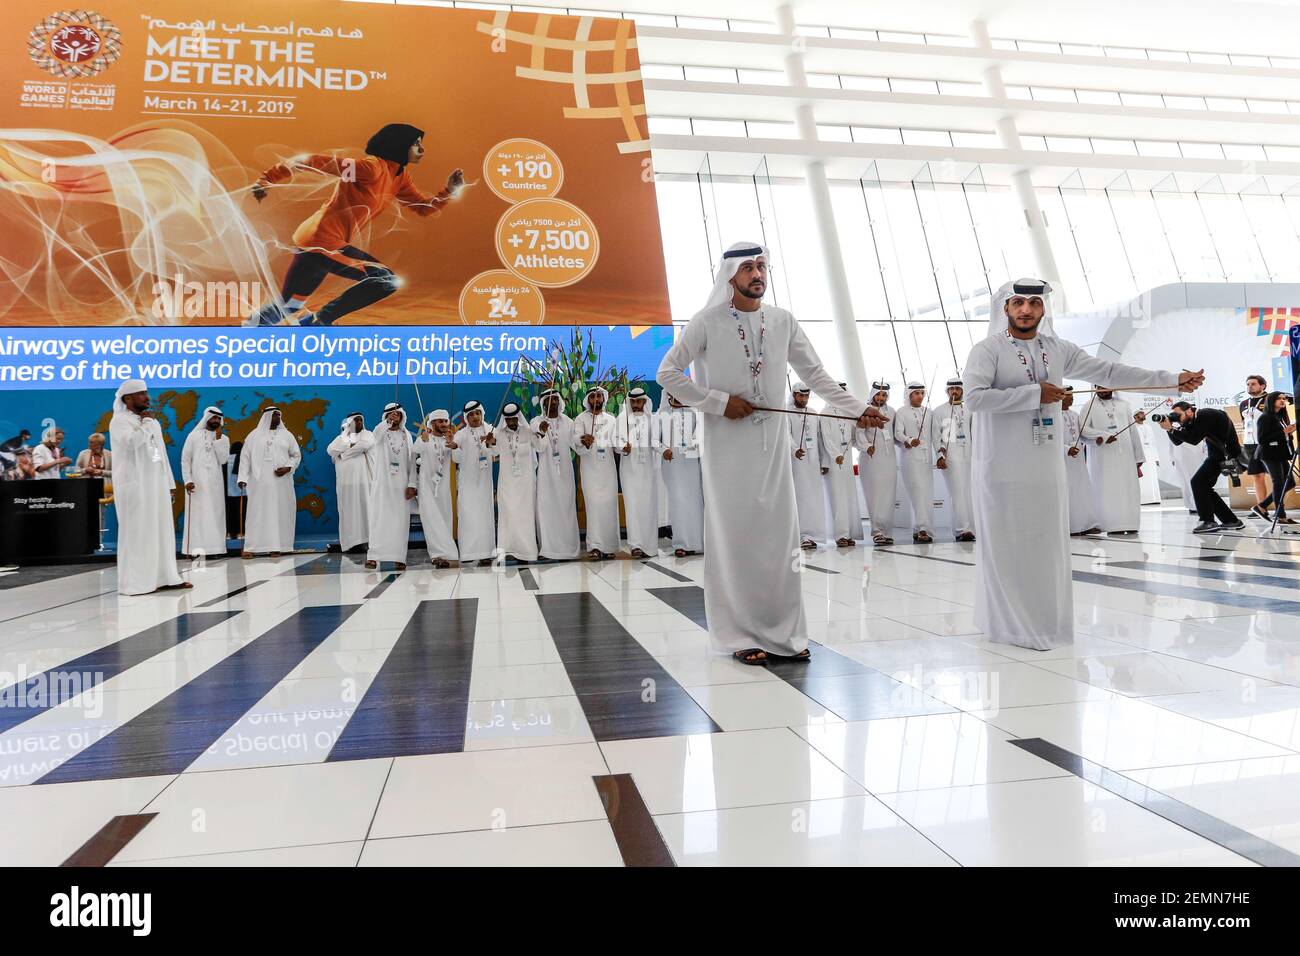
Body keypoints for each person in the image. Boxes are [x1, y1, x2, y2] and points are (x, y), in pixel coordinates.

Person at [656, 240, 884, 665]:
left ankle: (785, 633)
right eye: (749, 268)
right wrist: (720, 403)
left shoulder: (782, 321)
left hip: (772, 449)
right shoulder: (705, 322)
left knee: (779, 539)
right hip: (727, 450)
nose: (758, 275)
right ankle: (739, 633)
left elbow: (815, 375)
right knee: (735, 537)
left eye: (762, 267)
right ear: (730, 276)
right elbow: (667, 373)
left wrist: (859, 410)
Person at [963, 278, 1196, 651]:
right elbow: (974, 399)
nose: (1026, 310)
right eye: (1019, 303)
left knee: (1045, 543)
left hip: (1044, 465)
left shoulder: (1057, 349)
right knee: (1009, 542)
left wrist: (1171, 381)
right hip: (1001, 466)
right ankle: (1008, 624)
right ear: (1005, 308)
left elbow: (1110, 372)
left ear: (1044, 309)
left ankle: (1042, 621)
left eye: (1035, 304)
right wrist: (1033, 394)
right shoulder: (987, 350)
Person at [248, 124, 465, 327]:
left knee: (290, 305)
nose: (422, 148)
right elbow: (313, 162)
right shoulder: (370, 169)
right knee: (385, 281)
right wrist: (267, 179)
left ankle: (248, 329)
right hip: (322, 241)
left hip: (319, 241)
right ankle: (316, 322)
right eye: (416, 143)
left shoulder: (399, 175)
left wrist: (450, 191)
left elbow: (423, 207)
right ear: (399, 144)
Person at [109, 380, 191, 595]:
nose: (147, 397)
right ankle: (136, 583)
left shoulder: (151, 421)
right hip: (135, 486)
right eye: (141, 394)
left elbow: (159, 453)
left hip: (156, 483)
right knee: (139, 533)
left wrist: (169, 483)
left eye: (146, 393)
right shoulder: (119, 421)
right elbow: (130, 444)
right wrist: (145, 425)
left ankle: (166, 577)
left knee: (161, 531)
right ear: (127, 398)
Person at [1160, 402, 1247, 534]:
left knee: (1198, 482)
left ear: (1189, 411)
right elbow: (1177, 441)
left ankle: (1208, 521)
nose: (1176, 418)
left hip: (1222, 455)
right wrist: (1169, 428)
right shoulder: (1193, 419)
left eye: (1178, 415)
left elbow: (1194, 439)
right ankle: (1230, 520)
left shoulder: (1206, 414)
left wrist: (1171, 429)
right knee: (1203, 486)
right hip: (1217, 455)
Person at [1081, 387, 1145, 534]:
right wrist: (1103, 436)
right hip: (1103, 456)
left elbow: (1133, 431)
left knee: (1128, 488)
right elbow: (1083, 429)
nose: (1102, 390)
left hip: (1126, 455)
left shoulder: (1123, 405)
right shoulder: (1089, 405)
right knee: (1107, 488)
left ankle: (1130, 523)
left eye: (1105, 386)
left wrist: (1139, 455)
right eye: (1099, 387)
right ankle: (1110, 525)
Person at [238, 406, 301, 557]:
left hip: (281, 483)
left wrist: (288, 468)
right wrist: (242, 477)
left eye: (279, 415)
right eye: (274, 415)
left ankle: (277, 547)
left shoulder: (287, 435)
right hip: (258, 483)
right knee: (257, 513)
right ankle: (251, 547)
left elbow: (296, 455)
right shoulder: (253, 436)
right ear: (266, 417)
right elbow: (245, 458)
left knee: (280, 512)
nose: (278, 418)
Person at [364, 403, 415, 570]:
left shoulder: (407, 434)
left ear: (402, 417)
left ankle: (399, 557)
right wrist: (387, 422)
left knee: (400, 521)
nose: (395, 418)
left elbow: (412, 461)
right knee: (379, 519)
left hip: (401, 485)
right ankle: (373, 557)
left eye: (398, 415)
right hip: (382, 484)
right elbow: (374, 436)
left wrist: (411, 484)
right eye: (391, 415)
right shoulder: (380, 432)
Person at [531, 388, 580, 561]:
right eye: (548, 400)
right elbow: (539, 447)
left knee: (566, 507)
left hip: (565, 472)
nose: (552, 403)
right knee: (545, 507)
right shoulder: (536, 421)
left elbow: (577, 445)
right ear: (543, 403)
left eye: (555, 400)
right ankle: (548, 549)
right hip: (546, 474)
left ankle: (568, 548)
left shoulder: (568, 421)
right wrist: (542, 432)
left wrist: (586, 440)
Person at [573, 386, 620, 559]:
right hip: (590, 471)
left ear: (603, 399)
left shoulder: (611, 419)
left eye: (599, 396)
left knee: (608, 505)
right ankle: (594, 546)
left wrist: (624, 447)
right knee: (593, 506)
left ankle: (609, 547)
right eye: (593, 397)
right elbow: (575, 439)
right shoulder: (580, 419)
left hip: (608, 470)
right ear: (588, 400)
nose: (596, 399)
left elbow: (617, 443)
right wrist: (584, 440)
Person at [451, 400, 497, 566]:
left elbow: (498, 451)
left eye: (477, 413)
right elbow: (455, 452)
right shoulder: (462, 434)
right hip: (467, 482)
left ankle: (486, 553)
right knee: (468, 515)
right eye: (471, 415)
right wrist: (452, 444)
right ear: (466, 418)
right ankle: (468, 552)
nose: (475, 417)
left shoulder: (491, 429)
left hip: (484, 483)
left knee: (485, 516)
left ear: (481, 413)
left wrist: (492, 441)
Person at [492, 402, 539, 563]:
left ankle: (527, 551)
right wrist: (490, 442)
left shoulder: (527, 432)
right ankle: (508, 549)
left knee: (525, 514)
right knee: (508, 513)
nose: (511, 422)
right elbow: (493, 452)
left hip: (526, 482)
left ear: (518, 418)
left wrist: (542, 434)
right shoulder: (498, 434)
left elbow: (540, 447)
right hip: (507, 481)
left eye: (514, 419)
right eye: (508, 419)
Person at [180, 406, 230, 558]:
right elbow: (185, 459)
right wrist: (187, 480)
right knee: (198, 516)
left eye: (218, 419)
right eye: (213, 418)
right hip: (197, 483)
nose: (216, 421)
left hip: (215, 483)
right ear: (207, 418)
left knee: (215, 515)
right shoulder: (193, 436)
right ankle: (194, 550)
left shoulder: (224, 438)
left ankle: (215, 549)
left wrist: (219, 441)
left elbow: (223, 460)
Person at [617, 387, 662, 559]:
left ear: (645, 401)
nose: (636, 405)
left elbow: (656, 441)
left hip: (648, 470)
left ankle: (649, 545)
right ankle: (635, 545)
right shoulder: (622, 419)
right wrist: (623, 447)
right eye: (633, 402)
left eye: (639, 401)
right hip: (629, 470)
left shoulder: (653, 419)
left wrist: (663, 451)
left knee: (648, 505)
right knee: (632, 506)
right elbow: (616, 439)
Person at [658, 392, 704, 557]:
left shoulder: (694, 412)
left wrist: (695, 442)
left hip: (692, 464)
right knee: (678, 502)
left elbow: (701, 433)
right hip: (673, 465)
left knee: (695, 502)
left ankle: (698, 543)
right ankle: (681, 544)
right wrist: (663, 450)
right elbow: (655, 440)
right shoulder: (662, 414)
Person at [413, 410, 458, 568]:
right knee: (431, 520)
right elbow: (415, 451)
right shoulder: (425, 438)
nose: (444, 424)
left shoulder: (450, 439)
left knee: (445, 519)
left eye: (445, 421)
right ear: (431, 424)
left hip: (444, 488)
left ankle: (449, 553)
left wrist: (453, 444)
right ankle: (437, 555)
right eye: (439, 421)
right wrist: (422, 440)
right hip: (427, 488)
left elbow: (458, 458)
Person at [931, 377, 975, 542]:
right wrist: (940, 456)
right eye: (952, 389)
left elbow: (976, 432)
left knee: (969, 491)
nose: (955, 391)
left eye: (957, 389)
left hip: (969, 453)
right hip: (951, 456)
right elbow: (937, 437)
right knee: (957, 492)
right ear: (947, 391)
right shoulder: (940, 411)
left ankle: (971, 528)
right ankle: (961, 529)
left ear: (962, 390)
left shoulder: (970, 409)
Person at [855, 382, 898, 547]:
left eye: (884, 395)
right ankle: (877, 532)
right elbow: (858, 432)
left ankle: (886, 532)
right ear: (872, 394)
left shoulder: (892, 412)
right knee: (874, 495)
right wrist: (866, 447)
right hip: (870, 458)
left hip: (889, 458)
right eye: (878, 394)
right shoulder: (863, 410)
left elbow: (895, 434)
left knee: (888, 495)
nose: (881, 398)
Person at [821, 382, 863, 548]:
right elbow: (826, 439)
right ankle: (840, 535)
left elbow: (853, 438)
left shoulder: (848, 413)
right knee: (837, 498)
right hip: (833, 462)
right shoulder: (825, 413)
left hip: (846, 462)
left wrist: (863, 445)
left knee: (848, 497)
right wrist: (836, 455)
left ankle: (849, 533)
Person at [327, 412, 374, 553]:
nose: (358, 422)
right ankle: (351, 543)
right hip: (346, 484)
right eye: (355, 420)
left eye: (360, 420)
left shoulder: (368, 434)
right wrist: (350, 445)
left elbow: (364, 446)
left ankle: (367, 541)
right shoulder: (340, 438)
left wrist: (343, 454)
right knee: (348, 511)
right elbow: (330, 450)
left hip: (364, 482)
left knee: (366, 511)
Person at [895, 382, 935, 544]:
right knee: (917, 492)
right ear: (909, 395)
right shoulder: (901, 412)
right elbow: (898, 432)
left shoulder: (929, 412)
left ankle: (919, 528)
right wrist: (909, 440)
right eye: (916, 393)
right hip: (910, 457)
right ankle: (923, 528)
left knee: (926, 493)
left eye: (921, 393)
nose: (919, 396)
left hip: (926, 458)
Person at [788, 383, 825, 550]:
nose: (804, 399)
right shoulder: (787, 413)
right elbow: (785, 435)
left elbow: (819, 439)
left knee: (814, 498)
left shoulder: (813, 413)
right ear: (794, 395)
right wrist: (794, 450)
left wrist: (823, 462)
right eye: (800, 396)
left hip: (813, 462)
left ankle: (813, 535)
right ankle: (802, 535)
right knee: (800, 498)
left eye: (806, 396)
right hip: (797, 463)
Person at [1060, 388, 1101, 535]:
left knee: (1083, 491)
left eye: (1072, 397)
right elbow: (1050, 441)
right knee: (1068, 492)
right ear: (1061, 397)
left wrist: (1096, 440)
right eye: (1069, 397)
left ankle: (1086, 524)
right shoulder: (1052, 415)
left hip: (1078, 462)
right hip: (1063, 462)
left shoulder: (1075, 415)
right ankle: (1071, 527)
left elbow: (1082, 437)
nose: (1072, 400)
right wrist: (1066, 450)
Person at [1255, 391, 1296, 526]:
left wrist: (1289, 433)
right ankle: (1281, 516)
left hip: (1281, 454)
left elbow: (1284, 437)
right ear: (1272, 400)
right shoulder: (1265, 418)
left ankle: (1262, 506)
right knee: (1279, 483)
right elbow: (1262, 439)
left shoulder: (1281, 417)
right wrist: (1283, 432)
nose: (1282, 400)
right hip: (1269, 455)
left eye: (1284, 398)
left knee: (1289, 483)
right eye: (1279, 398)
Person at [1240, 374, 1270, 515]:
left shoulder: (1271, 399)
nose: (1249, 386)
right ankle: (1261, 508)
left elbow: (1282, 421)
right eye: (1248, 384)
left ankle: (1279, 509)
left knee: (1279, 478)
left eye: (1253, 384)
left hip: (1267, 443)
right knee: (1257, 476)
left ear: (1262, 385)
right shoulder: (1244, 403)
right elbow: (1244, 423)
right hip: (1250, 444)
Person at [226, 440, 245, 542]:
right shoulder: (243, 459)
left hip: (228, 493)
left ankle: (230, 533)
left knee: (230, 515)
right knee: (242, 514)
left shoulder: (227, 459)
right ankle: (242, 533)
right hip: (242, 492)